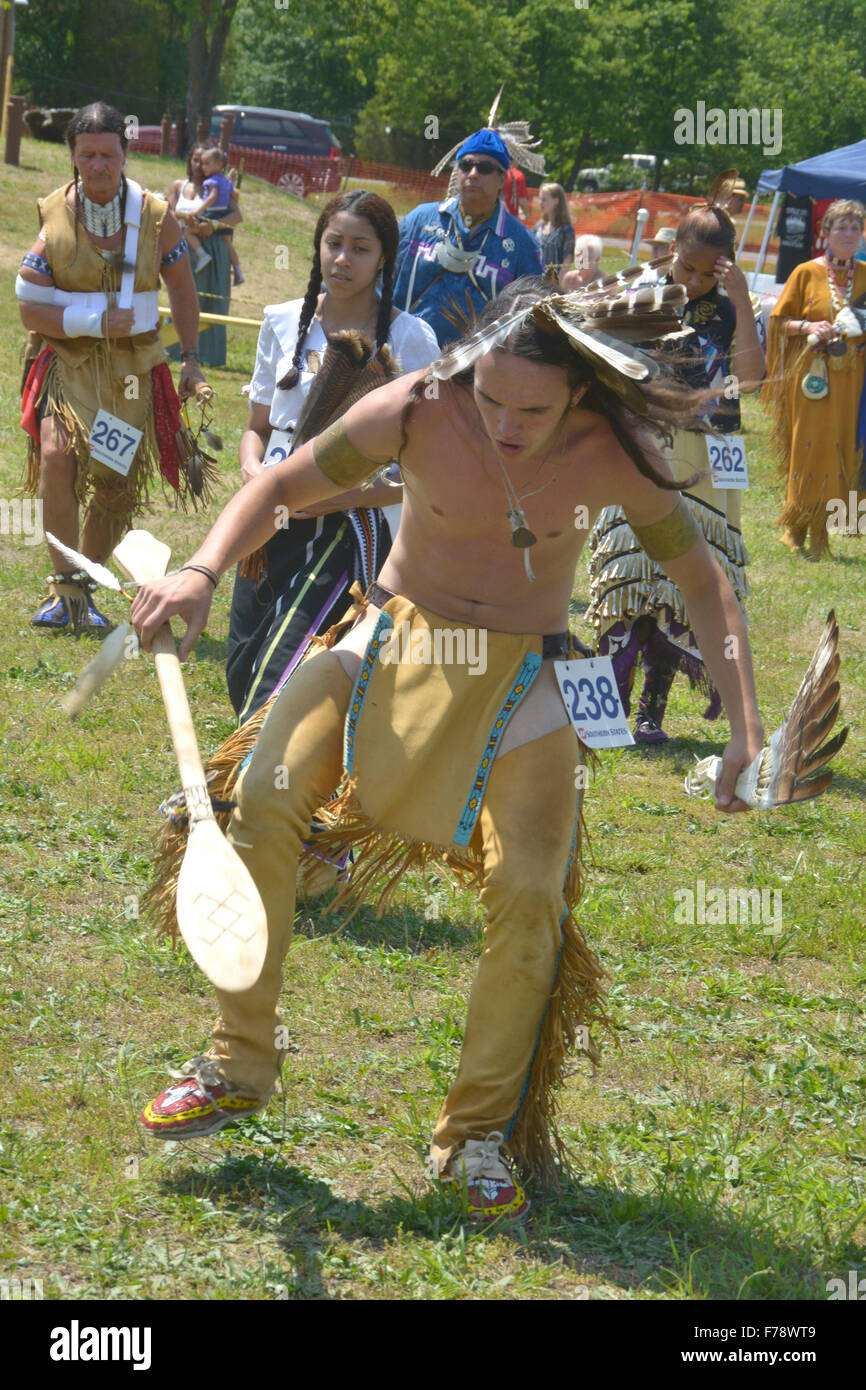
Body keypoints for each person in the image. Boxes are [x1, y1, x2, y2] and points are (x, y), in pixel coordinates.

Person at [131, 274, 765, 1223]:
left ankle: (474, 1135)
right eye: (493, 396)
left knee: (531, 892)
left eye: (533, 408)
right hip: (388, 636)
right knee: (260, 796)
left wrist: (747, 732)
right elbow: (277, 482)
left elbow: (706, 586)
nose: (507, 422)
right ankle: (237, 1060)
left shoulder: (616, 458)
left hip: (526, 680)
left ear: (580, 395)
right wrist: (198, 571)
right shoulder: (419, 409)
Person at [227, 189, 439, 724]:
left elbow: (426, 472)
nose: (342, 259)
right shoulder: (280, 322)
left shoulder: (412, 340)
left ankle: (239, 790)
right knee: (243, 660)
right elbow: (256, 429)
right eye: (334, 243)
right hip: (267, 517)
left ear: (384, 257)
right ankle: (277, 783)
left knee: (287, 664)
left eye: (360, 248)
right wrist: (256, 474)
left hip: (350, 529)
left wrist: (345, 494)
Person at [18, 101, 206, 632]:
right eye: (87, 155)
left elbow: (184, 290)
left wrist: (192, 360)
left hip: (129, 372)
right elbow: (29, 306)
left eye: (108, 154)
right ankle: (63, 591)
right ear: (73, 157)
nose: (98, 165)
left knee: (114, 481)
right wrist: (92, 321)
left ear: (125, 154)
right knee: (57, 457)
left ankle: (86, 585)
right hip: (68, 360)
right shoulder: (54, 213)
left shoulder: (152, 217)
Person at [586, 203, 765, 742]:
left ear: (727, 266)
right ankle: (606, 707)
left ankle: (652, 710)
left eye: (707, 273)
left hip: (706, 455)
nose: (692, 281)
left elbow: (752, 381)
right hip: (642, 442)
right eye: (685, 267)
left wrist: (737, 301)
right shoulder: (642, 291)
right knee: (626, 568)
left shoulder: (736, 306)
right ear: (672, 252)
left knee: (680, 581)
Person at [765, 199, 866, 558]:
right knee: (809, 446)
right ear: (825, 233)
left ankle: (823, 530)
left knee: (843, 447)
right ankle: (797, 526)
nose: (849, 234)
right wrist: (809, 325)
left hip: (853, 381)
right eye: (841, 227)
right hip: (812, 379)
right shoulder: (806, 272)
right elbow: (778, 322)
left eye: (856, 228)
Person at [393, 127, 543, 345]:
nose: (473, 174)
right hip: (401, 357)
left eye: (484, 168)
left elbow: (533, 317)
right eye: (466, 166)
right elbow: (381, 280)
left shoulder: (522, 243)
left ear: (502, 179)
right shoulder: (419, 220)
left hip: (472, 369)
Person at [167, 145, 242, 367]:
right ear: (190, 161)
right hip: (185, 246)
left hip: (216, 247)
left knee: (213, 297)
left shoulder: (221, 185)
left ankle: (210, 355)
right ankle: (176, 349)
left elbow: (237, 215)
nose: (200, 165)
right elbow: (168, 214)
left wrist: (215, 225)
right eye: (196, 160)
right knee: (183, 296)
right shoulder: (178, 186)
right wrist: (184, 215)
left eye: (205, 161)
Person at [182, 146, 245, 286]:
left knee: (187, 231)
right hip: (224, 212)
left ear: (218, 165)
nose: (202, 167)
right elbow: (235, 195)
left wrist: (197, 211)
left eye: (206, 163)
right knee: (229, 244)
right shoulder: (226, 181)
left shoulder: (211, 182)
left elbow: (212, 197)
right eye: (200, 162)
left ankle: (202, 255)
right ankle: (238, 271)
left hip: (211, 213)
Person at [533, 183, 575, 281]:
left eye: (544, 199)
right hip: (535, 282)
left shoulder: (566, 229)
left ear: (556, 201)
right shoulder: (539, 226)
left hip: (554, 284)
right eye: (540, 199)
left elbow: (567, 259)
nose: (540, 203)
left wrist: (558, 283)